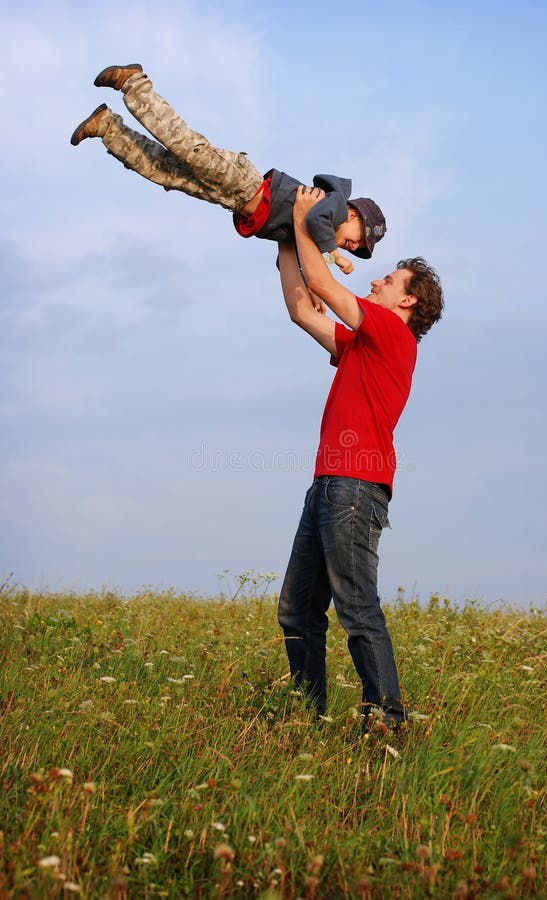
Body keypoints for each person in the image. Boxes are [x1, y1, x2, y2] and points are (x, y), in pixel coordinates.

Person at [277, 186, 443, 733]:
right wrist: (284, 237)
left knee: (356, 606)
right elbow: (302, 310)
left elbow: (324, 285)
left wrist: (304, 217)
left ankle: (388, 718)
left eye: (388, 281)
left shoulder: (392, 333)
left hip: (355, 487)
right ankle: (308, 719)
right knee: (298, 610)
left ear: (407, 302)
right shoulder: (365, 344)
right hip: (329, 485)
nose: (375, 281)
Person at [70, 64, 386, 276]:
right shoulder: (333, 207)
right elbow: (317, 220)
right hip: (245, 183)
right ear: (353, 215)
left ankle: (107, 127)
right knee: (186, 146)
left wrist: (311, 290)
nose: (351, 247)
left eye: (355, 250)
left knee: (166, 173)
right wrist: (334, 256)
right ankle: (134, 83)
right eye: (357, 241)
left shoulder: (311, 234)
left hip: (232, 199)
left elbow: (286, 260)